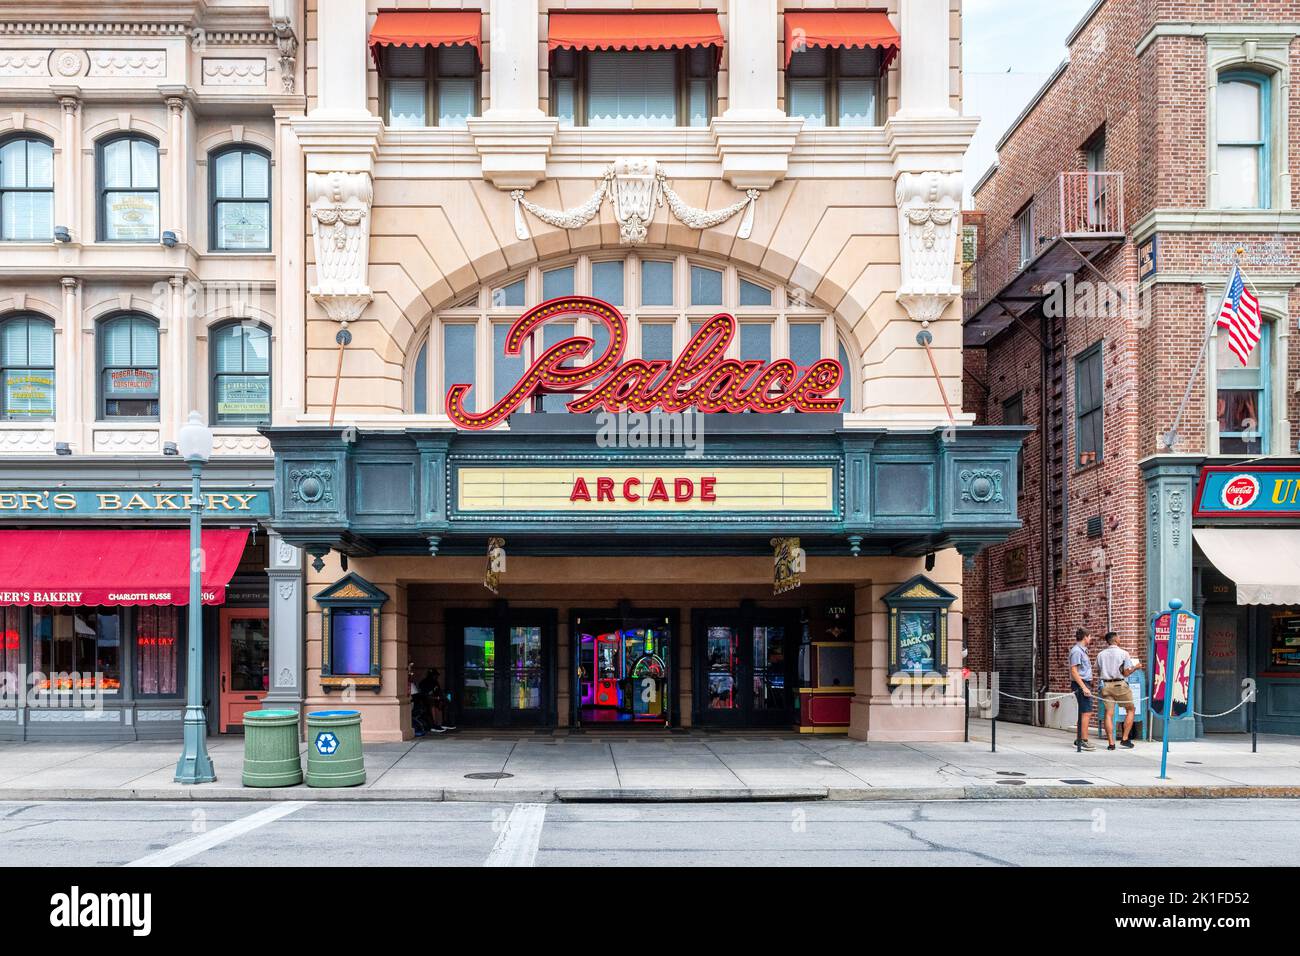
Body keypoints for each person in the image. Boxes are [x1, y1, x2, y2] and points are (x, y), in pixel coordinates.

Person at [1097, 631, 1141, 750]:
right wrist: (1136, 667)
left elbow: (1098, 671)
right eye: (1119, 637)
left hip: (1106, 685)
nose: (1120, 638)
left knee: (1108, 713)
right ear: (1115, 639)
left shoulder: (1100, 655)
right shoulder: (1124, 653)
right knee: (1131, 709)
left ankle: (1111, 743)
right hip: (1120, 685)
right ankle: (1125, 739)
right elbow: (1126, 672)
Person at [1069, 628, 1095, 751]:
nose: (1090, 639)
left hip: (1085, 683)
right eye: (1090, 636)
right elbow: (1074, 671)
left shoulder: (1082, 651)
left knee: (1085, 712)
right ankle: (1082, 740)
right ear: (1085, 637)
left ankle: (1079, 738)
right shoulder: (1077, 651)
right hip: (1081, 684)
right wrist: (1084, 687)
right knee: (1086, 712)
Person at [418, 667, 454, 733]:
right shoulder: (424, 683)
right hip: (426, 700)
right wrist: (436, 698)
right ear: (430, 675)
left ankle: (444, 722)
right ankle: (433, 725)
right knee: (432, 704)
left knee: (445, 702)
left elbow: (439, 691)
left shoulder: (435, 682)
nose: (436, 677)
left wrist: (441, 698)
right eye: (434, 675)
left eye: (436, 675)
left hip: (436, 698)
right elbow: (424, 695)